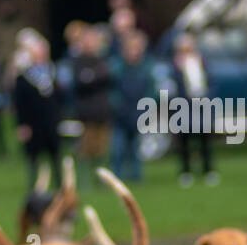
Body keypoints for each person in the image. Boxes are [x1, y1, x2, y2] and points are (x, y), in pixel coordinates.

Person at [11, 29, 63, 188]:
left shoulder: (53, 73)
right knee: (33, 158)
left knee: (55, 156)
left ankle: (59, 185)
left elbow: (60, 99)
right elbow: (19, 104)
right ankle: (34, 187)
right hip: (33, 124)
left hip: (51, 122)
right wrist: (22, 125)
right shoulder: (24, 78)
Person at [169, 32, 217, 187]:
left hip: (202, 105)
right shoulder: (175, 65)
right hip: (184, 106)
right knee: (184, 140)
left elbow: (211, 81)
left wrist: (207, 97)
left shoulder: (202, 61)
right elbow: (174, 86)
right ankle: (186, 171)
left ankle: (208, 170)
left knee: (205, 139)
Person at [109, 29, 156, 181]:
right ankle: (116, 178)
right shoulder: (116, 67)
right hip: (120, 115)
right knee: (118, 150)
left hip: (138, 113)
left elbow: (151, 91)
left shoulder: (147, 67)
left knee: (135, 149)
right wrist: (118, 106)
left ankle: (136, 178)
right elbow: (111, 90)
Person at [71, 24, 113, 186]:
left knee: (102, 152)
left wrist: (92, 77)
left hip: (102, 112)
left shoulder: (102, 60)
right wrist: (96, 77)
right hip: (86, 114)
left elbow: (105, 77)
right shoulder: (78, 61)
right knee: (85, 152)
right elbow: (81, 83)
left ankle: (101, 182)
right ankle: (84, 183)